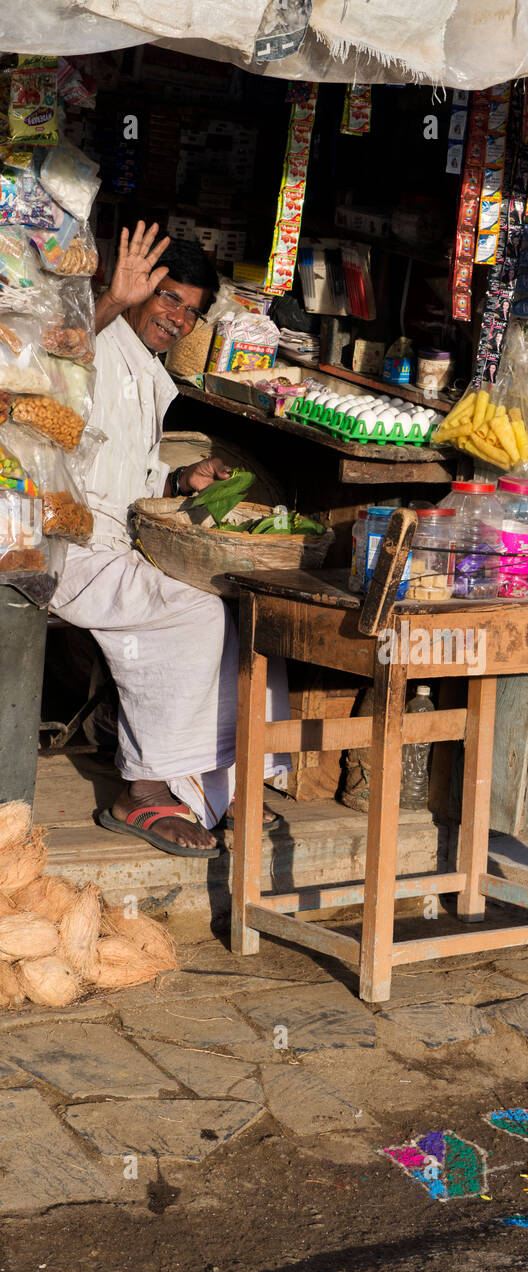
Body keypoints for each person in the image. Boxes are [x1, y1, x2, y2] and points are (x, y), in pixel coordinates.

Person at [50, 222, 289, 858]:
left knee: (249, 603)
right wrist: (112, 301)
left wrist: (181, 478)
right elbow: (54, 361)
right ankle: (143, 787)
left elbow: (124, 466)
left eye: (191, 310)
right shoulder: (99, 339)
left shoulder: (147, 370)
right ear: (137, 291)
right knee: (195, 611)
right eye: (169, 299)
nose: (179, 318)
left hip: (116, 541)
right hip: (63, 546)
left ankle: (231, 781)